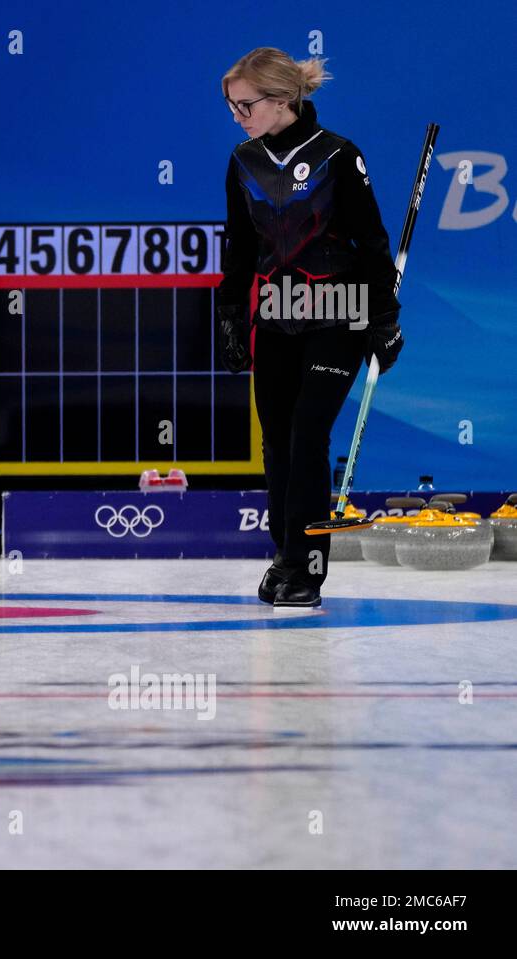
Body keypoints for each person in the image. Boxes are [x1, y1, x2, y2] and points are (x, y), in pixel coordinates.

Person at [217, 47, 404, 608]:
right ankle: (285, 554)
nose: (237, 116)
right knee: (275, 440)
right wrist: (230, 315)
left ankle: (308, 566)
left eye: (245, 105)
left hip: (339, 310)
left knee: (307, 433)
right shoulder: (242, 161)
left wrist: (385, 320)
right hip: (277, 313)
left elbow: (371, 243)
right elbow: (240, 249)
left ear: (281, 100)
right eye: (230, 106)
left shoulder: (338, 156)